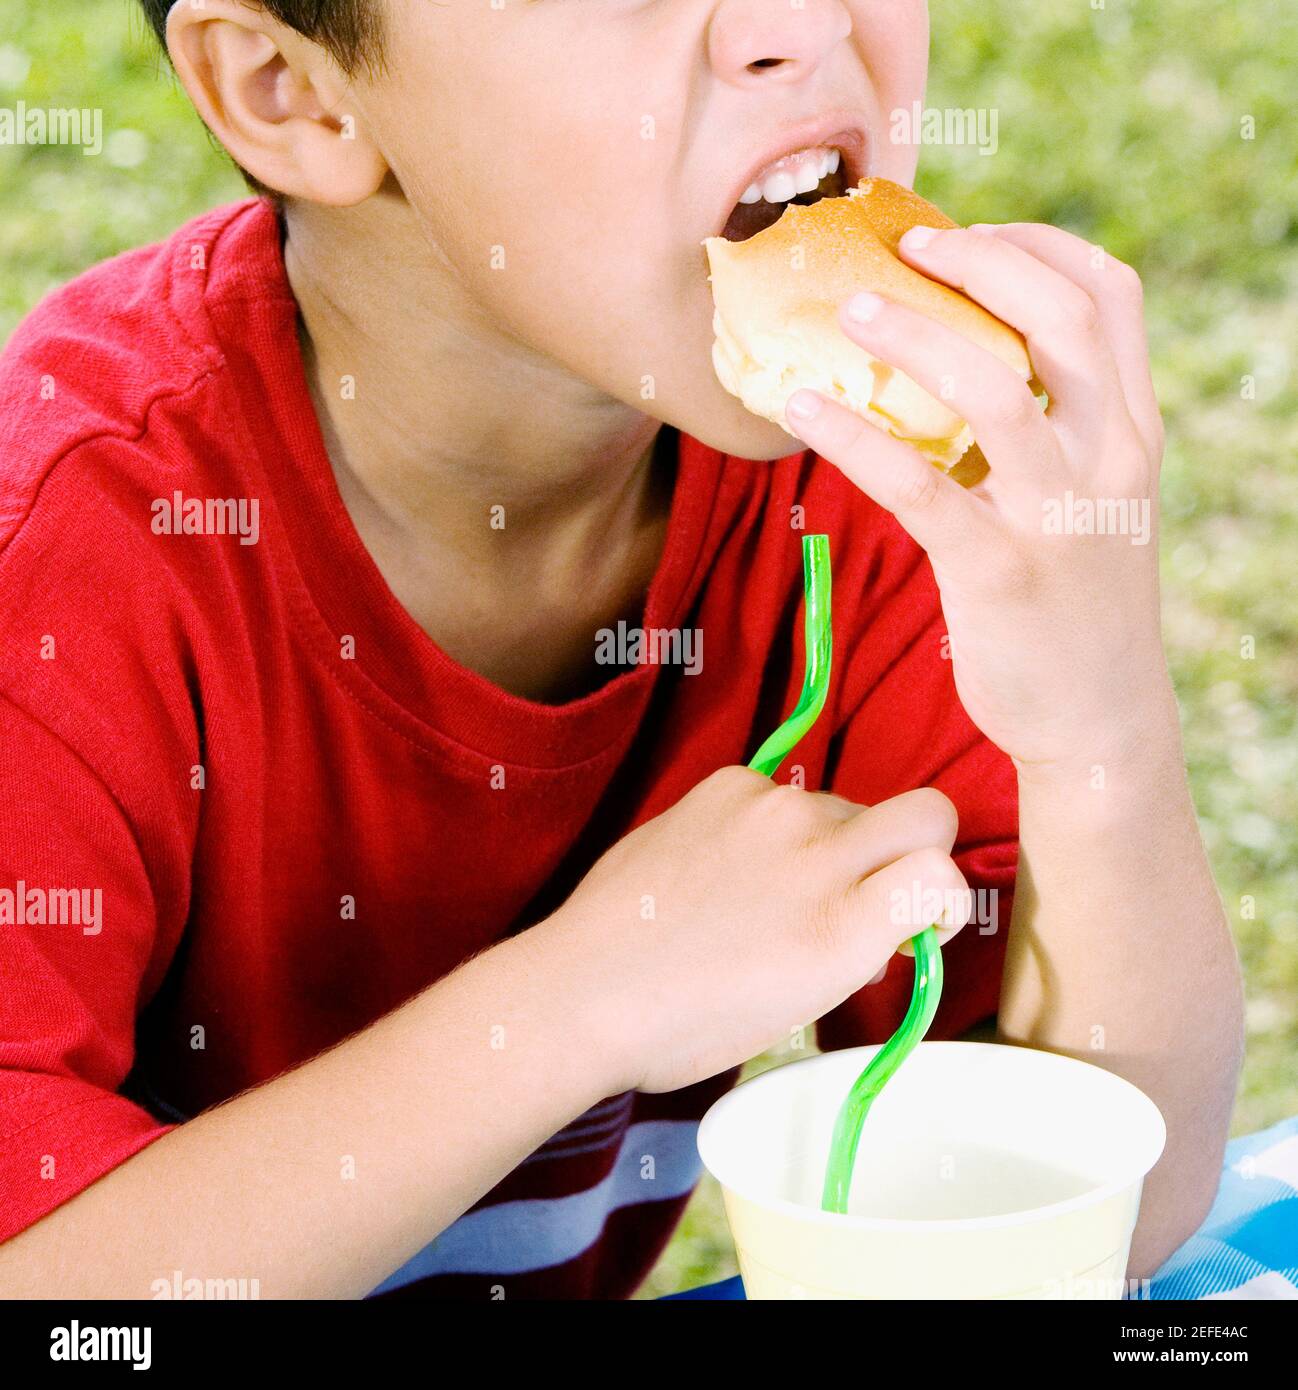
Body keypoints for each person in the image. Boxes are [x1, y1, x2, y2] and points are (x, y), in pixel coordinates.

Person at [0, 0, 1241, 1298]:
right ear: (286, 90)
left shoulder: (868, 454)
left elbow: (1102, 1214)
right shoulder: (64, 556)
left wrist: (1100, 733)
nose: (796, 24)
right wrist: (580, 1004)